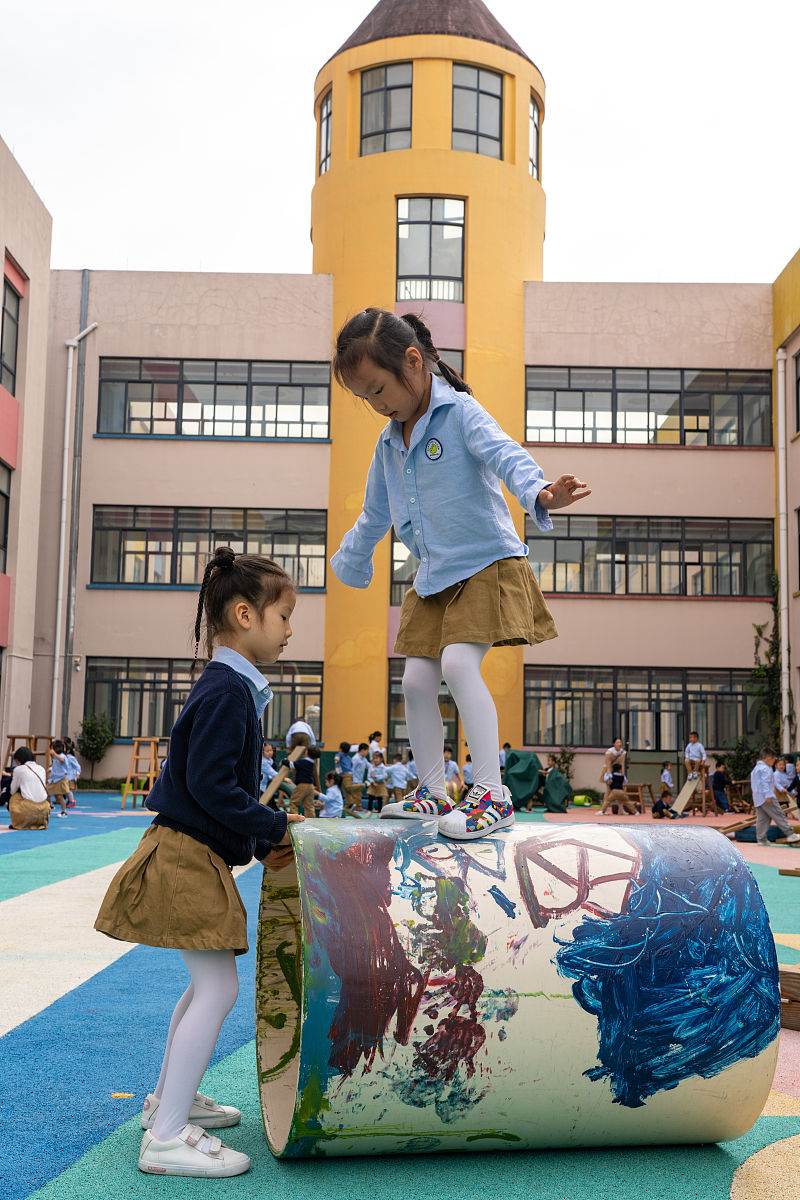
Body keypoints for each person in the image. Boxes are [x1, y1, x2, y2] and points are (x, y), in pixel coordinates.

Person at [329, 309, 590, 840]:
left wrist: (540, 493)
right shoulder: (389, 444)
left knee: (455, 663)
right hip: (435, 578)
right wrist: (352, 560)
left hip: (486, 564)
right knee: (416, 678)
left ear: (413, 361)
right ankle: (430, 791)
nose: (378, 405)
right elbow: (374, 514)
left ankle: (491, 794)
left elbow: (504, 454)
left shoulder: (460, 413)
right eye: (366, 399)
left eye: (379, 390)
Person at [94, 547, 304, 1179]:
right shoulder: (228, 691)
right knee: (217, 988)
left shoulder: (229, 686)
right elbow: (211, 785)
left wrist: (264, 828)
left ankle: (169, 1101)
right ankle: (165, 1135)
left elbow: (216, 782)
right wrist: (271, 828)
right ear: (244, 614)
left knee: (203, 988)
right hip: (186, 857)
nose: (291, 628)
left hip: (191, 852)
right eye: (285, 614)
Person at [751, 747, 800, 847]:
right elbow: (765, 783)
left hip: (758, 798)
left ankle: (761, 839)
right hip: (767, 797)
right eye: (774, 760)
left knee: (763, 819)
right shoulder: (766, 769)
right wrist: (767, 795)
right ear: (769, 758)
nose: (773, 762)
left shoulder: (756, 769)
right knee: (779, 814)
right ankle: (790, 834)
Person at [8, 747, 50, 830]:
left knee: (15, 797)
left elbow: (12, 791)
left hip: (28, 810)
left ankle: (18, 822)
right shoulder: (41, 768)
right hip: (44, 810)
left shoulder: (18, 769)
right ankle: (39, 822)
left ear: (19, 760)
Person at [283, 745, 320, 818]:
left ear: (307, 752)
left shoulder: (303, 762)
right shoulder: (312, 763)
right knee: (309, 805)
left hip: (302, 785)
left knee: (293, 803)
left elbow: (292, 765)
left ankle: (294, 818)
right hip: (310, 786)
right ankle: (312, 821)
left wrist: (284, 761)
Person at [46, 740, 70, 817]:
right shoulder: (55, 758)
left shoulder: (62, 756)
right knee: (46, 792)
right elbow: (55, 766)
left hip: (61, 778)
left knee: (60, 796)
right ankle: (50, 805)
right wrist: (49, 769)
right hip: (54, 778)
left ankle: (64, 811)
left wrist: (54, 755)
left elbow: (62, 760)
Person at [350, 742, 370, 816]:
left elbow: (369, 767)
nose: (367, 752)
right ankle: (356, 809)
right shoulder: (355, 758)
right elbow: (351, 769)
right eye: (367, 750)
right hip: (355, 780)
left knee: (359, 795)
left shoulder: (364, 759)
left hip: (360, 781)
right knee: (356, 795)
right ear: (362, 750)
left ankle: (358, 808)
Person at [64, 737, 81, 807]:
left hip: (70, 777)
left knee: (68, 790)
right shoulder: (64, 757)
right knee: (65, 790)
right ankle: (69, 800)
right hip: (65, 776)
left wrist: (77, 773)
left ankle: (72, 801)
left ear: (68, 750)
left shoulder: (70, 758)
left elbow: (77, 766)